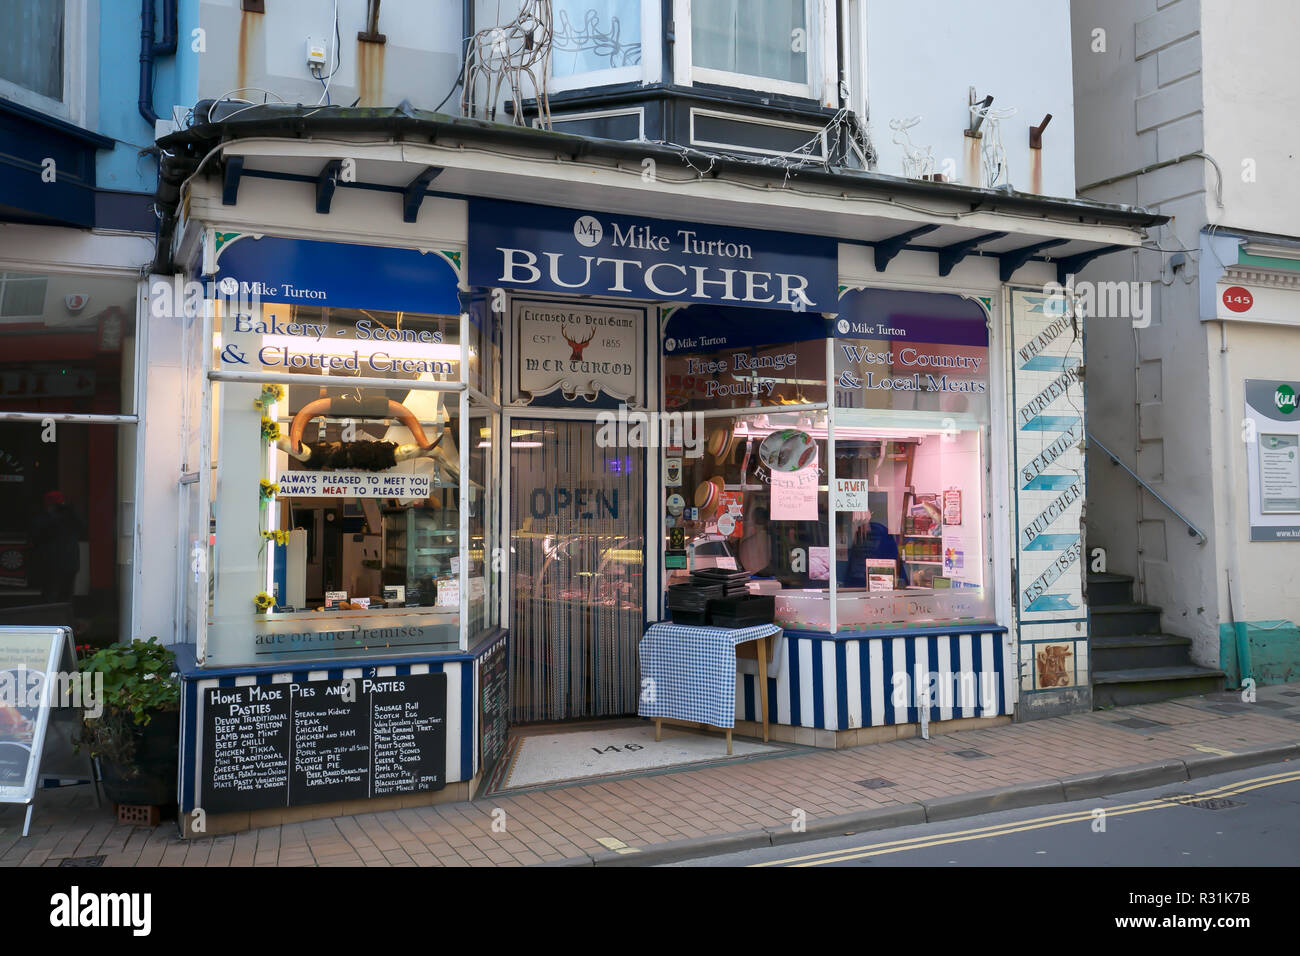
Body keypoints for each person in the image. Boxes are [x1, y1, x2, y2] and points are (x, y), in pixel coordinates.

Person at [29, 490, 83, 604]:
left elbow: (36, 537)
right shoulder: (66, 517)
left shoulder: (47, 518)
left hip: (56, 563)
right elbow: (82, 530)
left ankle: (55, 619)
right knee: (60, 595)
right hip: (65, 562)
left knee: (54, 595)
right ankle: (60, 619)